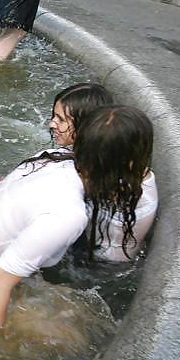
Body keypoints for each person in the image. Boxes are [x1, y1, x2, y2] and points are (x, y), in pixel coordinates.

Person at [0, 105, 154, 331]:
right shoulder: (68, 213)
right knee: (73, 337)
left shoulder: (52, 158)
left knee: (79, 312)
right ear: (128, 165)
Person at [45, 84, 158, 262]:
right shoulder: (121, 167)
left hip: (98, 265)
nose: (52, 124)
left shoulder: (131, 196)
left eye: (61, 119)